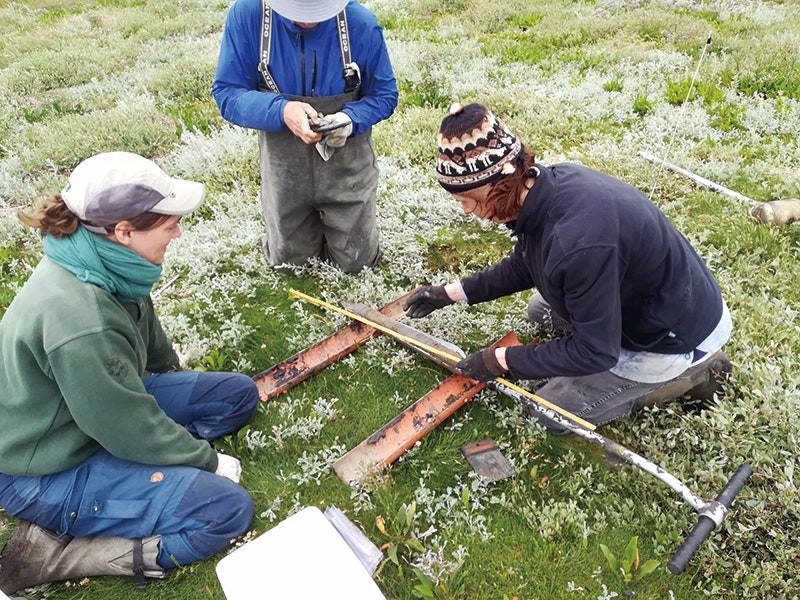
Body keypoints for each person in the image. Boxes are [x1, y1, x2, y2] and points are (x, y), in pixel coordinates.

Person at [0, 152, 260, 595]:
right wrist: (206, 460)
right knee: (226, 510)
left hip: (87, 417)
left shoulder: (107, 260)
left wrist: (170, 377)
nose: (178, 233)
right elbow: (123, 424)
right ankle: (59, 554)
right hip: (41, 470)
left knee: (237, 395)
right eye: (169, 225)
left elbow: (148, 339)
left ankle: (135, 469)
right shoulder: (81, 320)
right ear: (124, 231)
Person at [404, 103, 733, 434]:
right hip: (653, 300)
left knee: (548, 414)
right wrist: (449, 294)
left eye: (465, 199)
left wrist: (501, 360)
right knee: (539, 310)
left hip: (672, 337)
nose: (464, 210)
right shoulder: (546, 185)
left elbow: (596, 351)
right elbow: (526, 263)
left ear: (495, 184)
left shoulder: (578, 244)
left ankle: (690, 375)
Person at [212, 0, 398, 274]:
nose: (308, 20)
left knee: (358, 264)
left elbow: (385, 95)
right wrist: (281, 111)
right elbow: (227, 93)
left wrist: (350, 119)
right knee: (289, 264)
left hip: (348, 168)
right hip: (284, 170)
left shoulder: (360, 23)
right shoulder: (249, 15)